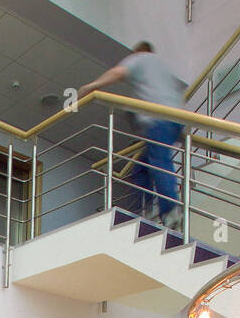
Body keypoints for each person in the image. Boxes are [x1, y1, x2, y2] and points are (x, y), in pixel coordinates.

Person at [79, 40, 185, 229]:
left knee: (160, 163)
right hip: (174, 119)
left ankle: (170, 211)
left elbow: (118, 72)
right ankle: (146, 210)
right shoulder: (163, 68)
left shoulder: (140, 59)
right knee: (142, 166)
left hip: (158, 120)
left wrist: (92, 86)